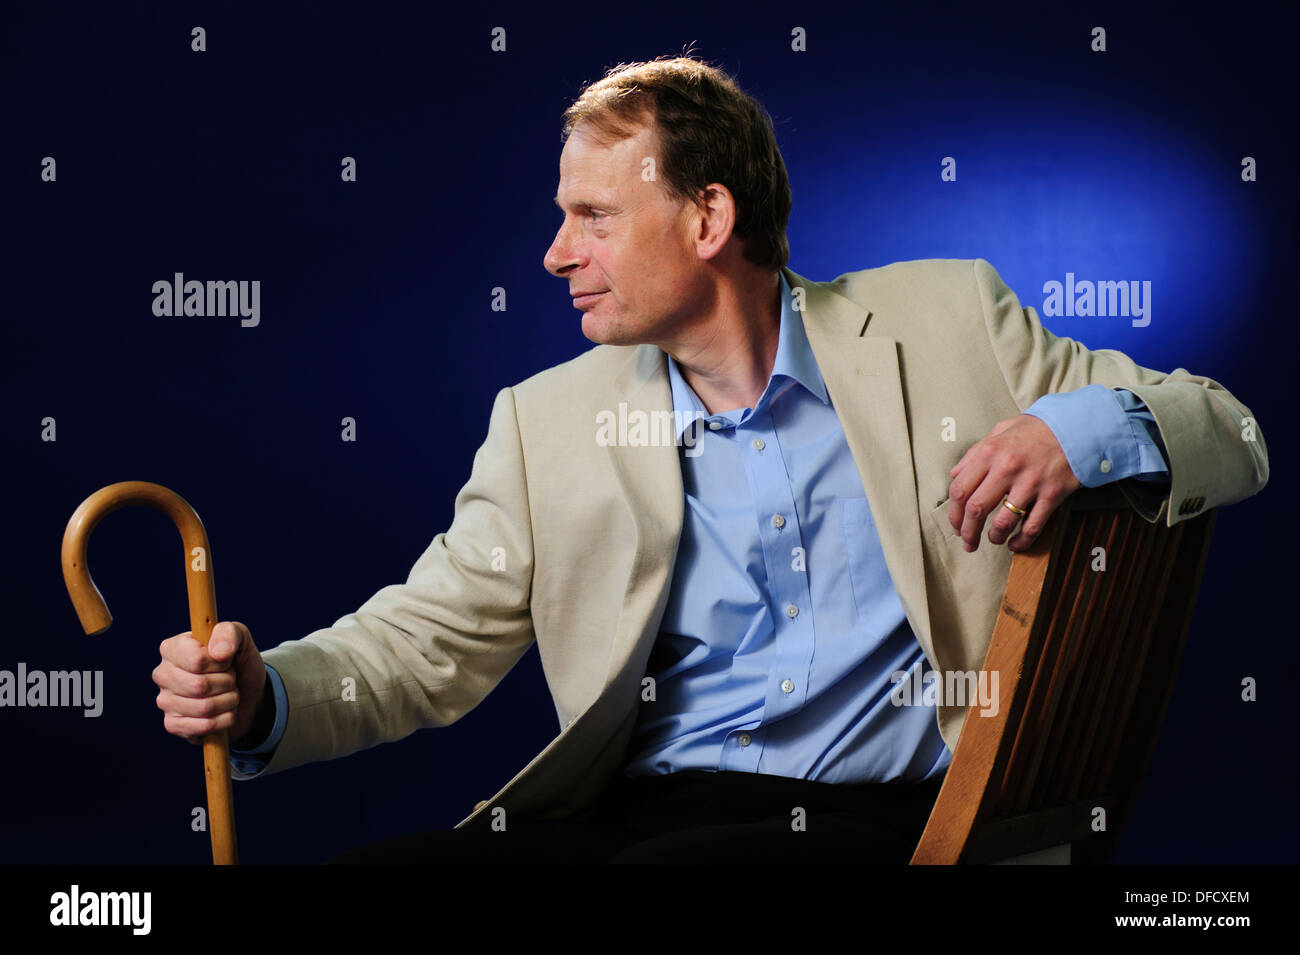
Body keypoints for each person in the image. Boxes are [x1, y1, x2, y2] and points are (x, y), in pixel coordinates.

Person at [151, 56, 1268, 864]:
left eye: (590, 215)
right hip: (637, 815)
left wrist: (1070, 431)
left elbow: (1227, 425)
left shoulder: (950, 318)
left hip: (888, 823)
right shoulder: (547, 420)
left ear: (706, 218)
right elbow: (424, 644)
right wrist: (265, 695)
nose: (554, 253)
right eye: (560, 217)